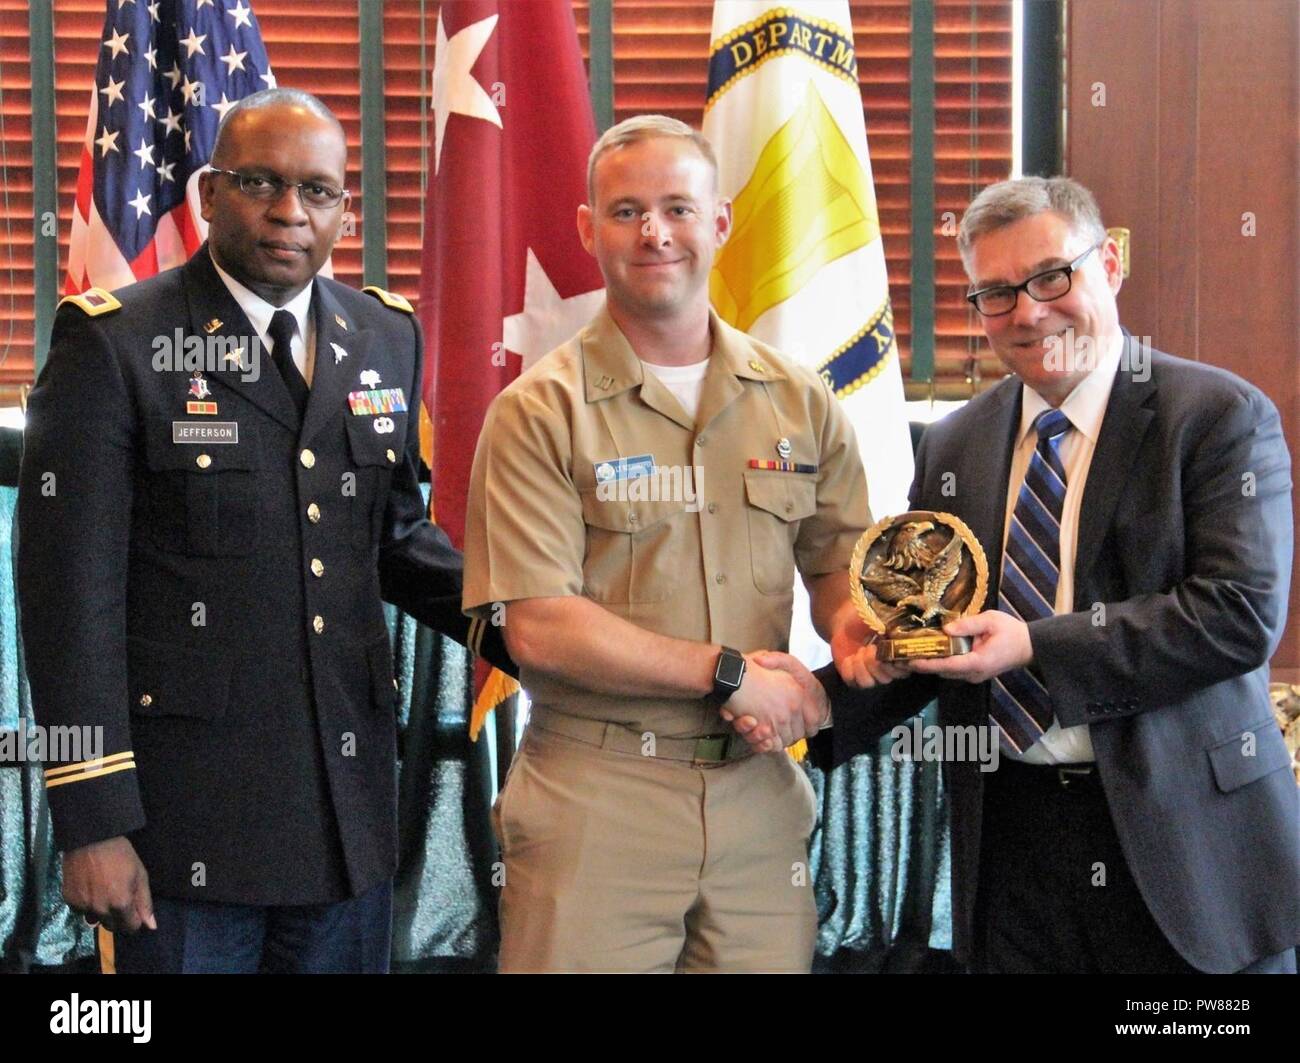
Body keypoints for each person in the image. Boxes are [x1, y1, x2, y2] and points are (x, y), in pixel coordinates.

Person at [17, 88, 513, 974]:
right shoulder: (120, 343)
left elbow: (395, 539)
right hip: (181, 829)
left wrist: (532, 630)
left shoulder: (382, 334)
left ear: (344, 210)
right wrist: (92, 818)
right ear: (209, 193)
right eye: (260, 183)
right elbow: (68, 604)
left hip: (343, 819)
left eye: (317, 191)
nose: (290, 212)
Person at [797, 176, 1298, 973]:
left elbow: (1237, 615)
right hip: (1013, 849)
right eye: (997, 294)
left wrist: (1032, 644)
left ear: (1110, 265)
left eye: (1051, 277)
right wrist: (818, 698)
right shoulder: (955, 443)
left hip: (1185, 849)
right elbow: (943, 636)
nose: (1029, 312)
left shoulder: (1215, 417)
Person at [461, 115, 866, 973]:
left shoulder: (799, 401)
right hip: (596, 800)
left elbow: (838, 564)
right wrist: (730, 672)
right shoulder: (540, 412)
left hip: (760, 800)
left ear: (719, 223)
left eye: (679, 208)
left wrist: (858, 634)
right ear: (587, 228)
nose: (655, 233)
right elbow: (540, 626)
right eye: (627, 211)